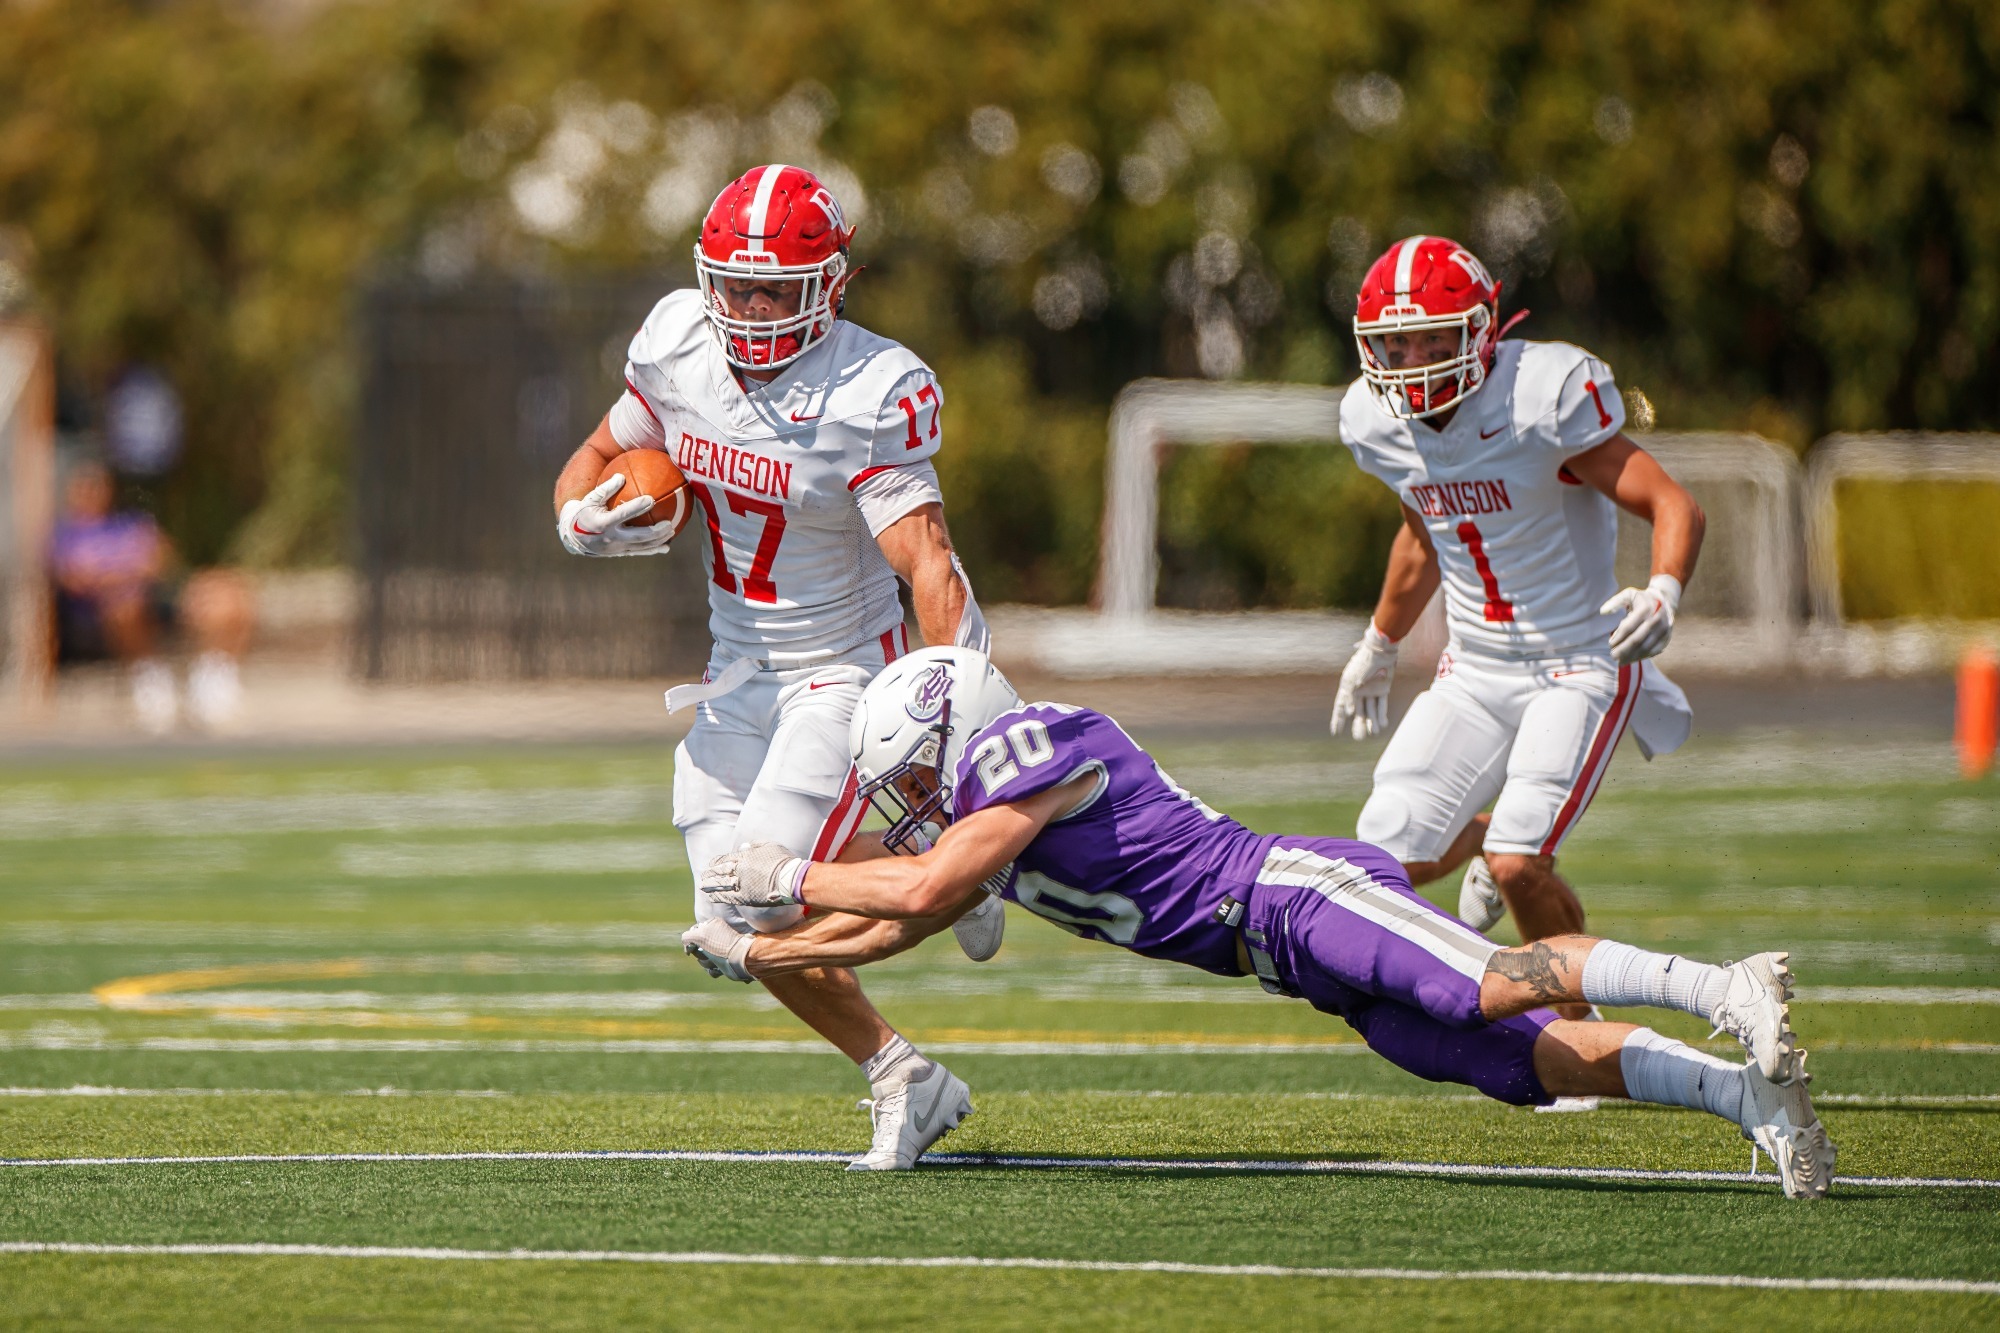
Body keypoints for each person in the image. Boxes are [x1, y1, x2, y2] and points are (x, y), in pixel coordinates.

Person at [683, 648, 1834, 1198]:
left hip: (1288, 892)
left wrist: (791, 871)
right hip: (1279, 954)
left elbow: (923, 890)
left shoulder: (1025, 750)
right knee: (1507, 1065)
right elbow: (893, 929)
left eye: (917, 777)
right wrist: (756, 951)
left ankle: (1722, 985)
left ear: (954, 734)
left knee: (1481, 981)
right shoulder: (986, 818)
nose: (912, 804)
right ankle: (1747, 1098)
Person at [549, 165, 998, 1171]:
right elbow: (594, 451)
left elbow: (926, 557)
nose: (750, 311)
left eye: (775, 290)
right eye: (735, 286)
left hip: (841, 668)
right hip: (735, 669)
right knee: (726, 911)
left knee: (758, 896)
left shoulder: (871, 387)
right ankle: (908, 1065)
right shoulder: (674, 344)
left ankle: (959, 855)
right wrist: (576, 517)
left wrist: (956, 712)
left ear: (831, 285)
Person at [1329, 236, 1707, 998]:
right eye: (1397, 344)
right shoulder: (1379, 423)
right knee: (1377, 859)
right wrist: (1378, 641)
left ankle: (1582, 1041)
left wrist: (1663, 589)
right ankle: (1480, 847)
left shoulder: (1542, 397)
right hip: (1472, 666)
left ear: (1482, 329)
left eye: (1437, 337)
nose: (1416, 360)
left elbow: (1672, 501)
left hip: (1578, 661)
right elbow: (1420, 536)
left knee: (1519, 861)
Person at [49, 460, 254, 733]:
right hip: (100, 620)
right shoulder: (67, 534)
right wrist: (129, 570)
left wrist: (124, 570)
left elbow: (161, 560)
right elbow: (76, 578)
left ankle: (213, 677)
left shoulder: (129, 522)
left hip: (152, 596)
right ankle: (150, 681)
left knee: (224, 590)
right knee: (123, 604)